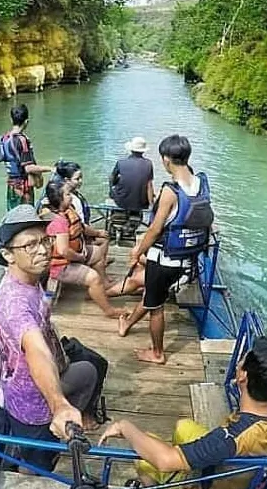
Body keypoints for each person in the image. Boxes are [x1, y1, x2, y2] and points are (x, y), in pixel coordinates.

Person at [98, 337, 267, 489]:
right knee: (183, 426)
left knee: (143, 456)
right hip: (240, 472)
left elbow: (165, 460)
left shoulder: (229, 438)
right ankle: (186, 461)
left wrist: (124, 427)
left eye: (243, 359)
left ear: (243, 376)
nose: (239, 362)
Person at [0, 205, 101, 473]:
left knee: (90, 371)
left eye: (45, 240)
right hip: (31, 399)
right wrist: (58, 405)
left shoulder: (30, 277)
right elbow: (35, 349)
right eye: (30, 245)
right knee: (38, 463)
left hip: (38, 375)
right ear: (7, 255)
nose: (44, 249)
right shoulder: (14, 304)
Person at [117, 135, 214, 364]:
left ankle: (157, 353)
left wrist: (137, 252)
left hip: (164, 260)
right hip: (188, 258)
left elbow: (154, 229)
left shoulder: (170, 191)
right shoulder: (201, 182)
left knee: (156, 307)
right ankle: (127, 322)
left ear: (165, 159)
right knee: (152, 294)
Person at [43, 180, 126, 319]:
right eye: (67, 194)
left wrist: (98, 233)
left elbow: (81, 227)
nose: (71, 196)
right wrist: (80, 257)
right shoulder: (59, 221)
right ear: (59, 198)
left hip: (75, 253)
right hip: (61, 266)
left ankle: (100, 286)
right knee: (93, 277)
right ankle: (109, 310)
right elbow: (63, 250)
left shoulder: (69, 210)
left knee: (98, 253)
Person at [0, 104, 54, 210]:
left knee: (13, 215)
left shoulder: (3, 138)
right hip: (23, 187)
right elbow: (28, 168)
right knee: (26, 217)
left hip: (11, 186)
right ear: (26, 121)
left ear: (11, 119)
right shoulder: (22, 140)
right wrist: (50, 169)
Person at [109, 136, 155, 212]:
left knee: (114, 178)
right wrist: (151, 205)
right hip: (141, 204)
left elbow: (112, 178)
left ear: (131, 150)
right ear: (143, 151)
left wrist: (111, 192)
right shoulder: (148, 164)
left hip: (121, 202)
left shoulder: (121, 162)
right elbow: (149, 186)